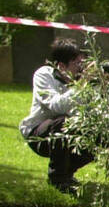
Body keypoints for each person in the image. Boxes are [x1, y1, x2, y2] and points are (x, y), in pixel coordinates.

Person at [19, 38, 94, 193]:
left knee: (101, 132)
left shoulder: (81, 81)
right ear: (61, 66)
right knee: (63, 122)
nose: (81, 68)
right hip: (39, 134)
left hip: (67, 132)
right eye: (77, 64)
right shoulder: (43, 76)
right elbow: (56, 106)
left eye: (83, 63)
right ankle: (57, 180)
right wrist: (81, 85)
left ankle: (67, 173)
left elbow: (91, 112)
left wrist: (99, 86)